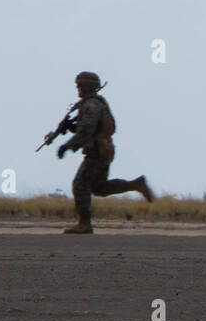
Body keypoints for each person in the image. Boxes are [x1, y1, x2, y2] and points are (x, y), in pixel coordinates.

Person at [56, 71, 153, 234]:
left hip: (97, 152)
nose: (77, 88)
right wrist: (71, 128)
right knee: (99, 187)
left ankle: (84, 224)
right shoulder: (94, 104)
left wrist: (67, 146)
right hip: (104, 150)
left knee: (80, 184)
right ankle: (135, 184)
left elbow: (86, 131)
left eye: (80, 85)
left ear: (88, 86)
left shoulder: (91, 106)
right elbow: (91, 128)